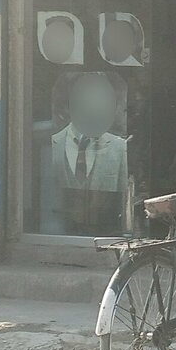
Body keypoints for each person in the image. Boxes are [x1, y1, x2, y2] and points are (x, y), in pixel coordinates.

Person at [51, 73, 128, 232]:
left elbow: (122, 198)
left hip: (105, 229)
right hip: (59, 229)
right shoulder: (52, 143)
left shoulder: (119, 148)